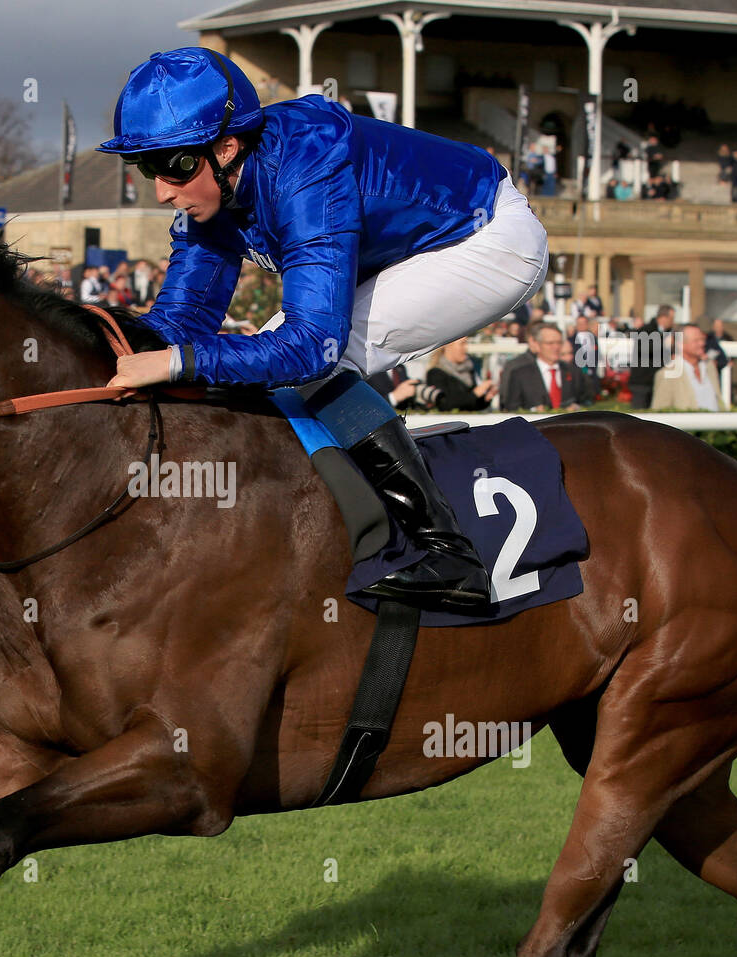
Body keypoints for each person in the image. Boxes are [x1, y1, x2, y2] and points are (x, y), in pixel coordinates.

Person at [97, 47, 550, 611]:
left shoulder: (306, 166)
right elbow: (179, 323)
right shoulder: (215, 194)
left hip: (487, 239)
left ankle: (448, 553)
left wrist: (176, 363)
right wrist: (100, 349)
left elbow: (312, 346)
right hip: (406, 249)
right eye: (148, 168)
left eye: (175, 167)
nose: (163, 190)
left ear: (226, 148)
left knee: (314, 362)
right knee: (263, 366)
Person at [498, 322, 587, 412]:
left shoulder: (573, 371)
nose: (556, 347)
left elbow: (586, 401)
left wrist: (576, 408)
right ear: (537, 345)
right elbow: (511, 407)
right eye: (550, 343)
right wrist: (533, 411)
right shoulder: (520, 374)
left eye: (559, 343)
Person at [651, 324, 722, 410]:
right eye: (696, 340)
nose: (702, 343)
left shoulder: (709, 367)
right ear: (680, 344)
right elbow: (660, 411)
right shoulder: (668, 374)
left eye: (702, 339)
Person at [423, 337, 496, 411]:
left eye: (466, 343)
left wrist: (485, 399)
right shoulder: (435, 373)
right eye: (462, 344)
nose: (466, 348)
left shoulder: (468, 369)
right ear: (448, 345)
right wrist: (475, 394)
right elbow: (444, 404)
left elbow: (471, 404)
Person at [629, 304, 675, 409]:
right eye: (671, 318)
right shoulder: (645, 330)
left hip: (657, 381)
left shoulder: (668, 333)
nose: (673, 321)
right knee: (638, 418)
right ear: (663, 318)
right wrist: (664, 344)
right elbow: (642, 348)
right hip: (642, 382)